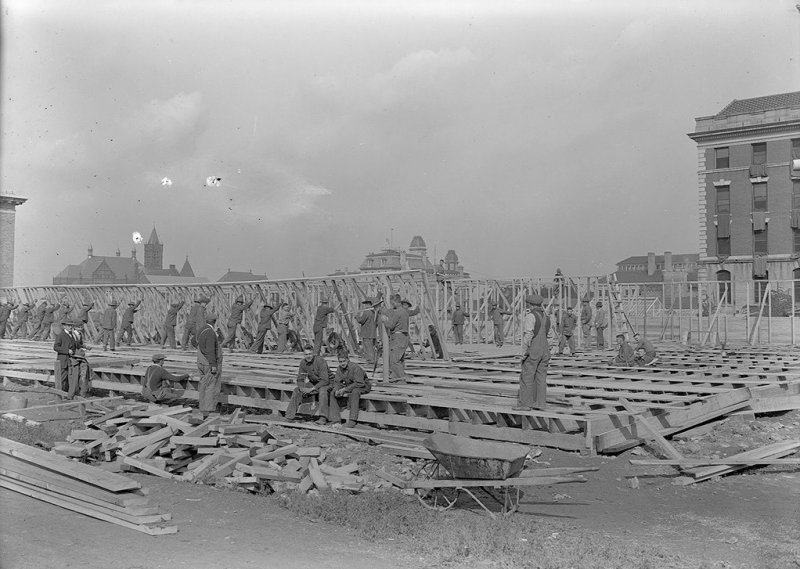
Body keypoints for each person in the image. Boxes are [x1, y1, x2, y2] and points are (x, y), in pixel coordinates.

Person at [513, 294, 550, 411]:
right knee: (541, 378)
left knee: (527, 376)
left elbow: (528, 334)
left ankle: (526, 404)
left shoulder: (531, 316)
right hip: (545, 351)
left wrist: (524, 351)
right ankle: (541, 404)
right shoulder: (547, 317)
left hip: (534, 350)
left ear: (530, 305)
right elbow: (550, 336)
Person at [286, 346, 332, 422]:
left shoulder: (320, 361)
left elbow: (325, 380)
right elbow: (300, 379)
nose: (308, 356)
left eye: (310, 354)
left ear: (313, 353)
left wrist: (311, 389)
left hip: (327, 383)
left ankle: (323, 417)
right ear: (304, 355)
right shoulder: (303, 363)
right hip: (314, 382)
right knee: (296, 390)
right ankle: (289, 417)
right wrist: (302, 388)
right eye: (306, 354)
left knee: (322, 391)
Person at [326, 352, 371, 428]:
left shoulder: (355, 367)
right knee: (333, 392)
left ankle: (352, 420)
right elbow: (337, 381)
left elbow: (360, 383)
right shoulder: (339, 369)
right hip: (350, 385)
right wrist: (337, 390)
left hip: (363, 386)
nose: (342, 363)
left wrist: (345, 389)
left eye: (344, 361)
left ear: (348, 360)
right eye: (340, 362)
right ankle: (335, 419)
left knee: (355, 392)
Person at [197, 313, 223, 417]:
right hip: (208, 363)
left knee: (203, 386)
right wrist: (213, 365)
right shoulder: (211, 333)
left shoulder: (201, 330)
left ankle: (202, 407)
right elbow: (211, 350)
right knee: (210, 387)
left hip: (201, 362)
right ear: (215, 322)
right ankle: (208, 411)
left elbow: (194, 341)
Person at [379, 295, 410, 383]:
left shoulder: (398, 312)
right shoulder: (405, 312)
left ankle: (401, 379)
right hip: (404, 336)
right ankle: (397, 376)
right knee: (400, 359)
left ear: (393, 302)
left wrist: (385, 320)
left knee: (395, 359)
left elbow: (391, 326)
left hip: (398, 337)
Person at [67, 319, 92, 399]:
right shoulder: (72, 335)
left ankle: (82, 392)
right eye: (79, 327)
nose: (80, 328)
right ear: (75, 328)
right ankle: (75, 393)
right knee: (75, 375)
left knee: (84, 374)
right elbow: (73, 345)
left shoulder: (80, 334)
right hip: (74, 357)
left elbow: (80, 344)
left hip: (80, 356)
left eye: (81, 327)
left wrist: (85, 347)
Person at [53, 320, 75, 394]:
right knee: (62, 378)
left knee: (69, 378)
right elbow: (56, 347)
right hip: (63, 360)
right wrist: (67, 350)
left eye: (71, 326)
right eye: (69, 325)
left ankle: (66, 393)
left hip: (70, 360)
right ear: (64, 326)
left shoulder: (71, 335)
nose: (70, 327)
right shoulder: (61, 335)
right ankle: (59, 394)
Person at [356, 298, 379, 364]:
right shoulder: (374, 312)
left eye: (365, 304)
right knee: (371, 347)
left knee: (367, 348)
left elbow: (361, 320)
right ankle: (371, 360)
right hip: (372, 333)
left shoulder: (367, 312)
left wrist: (357, 317)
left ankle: (370, 361)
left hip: (366, 333)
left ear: (367, 304)